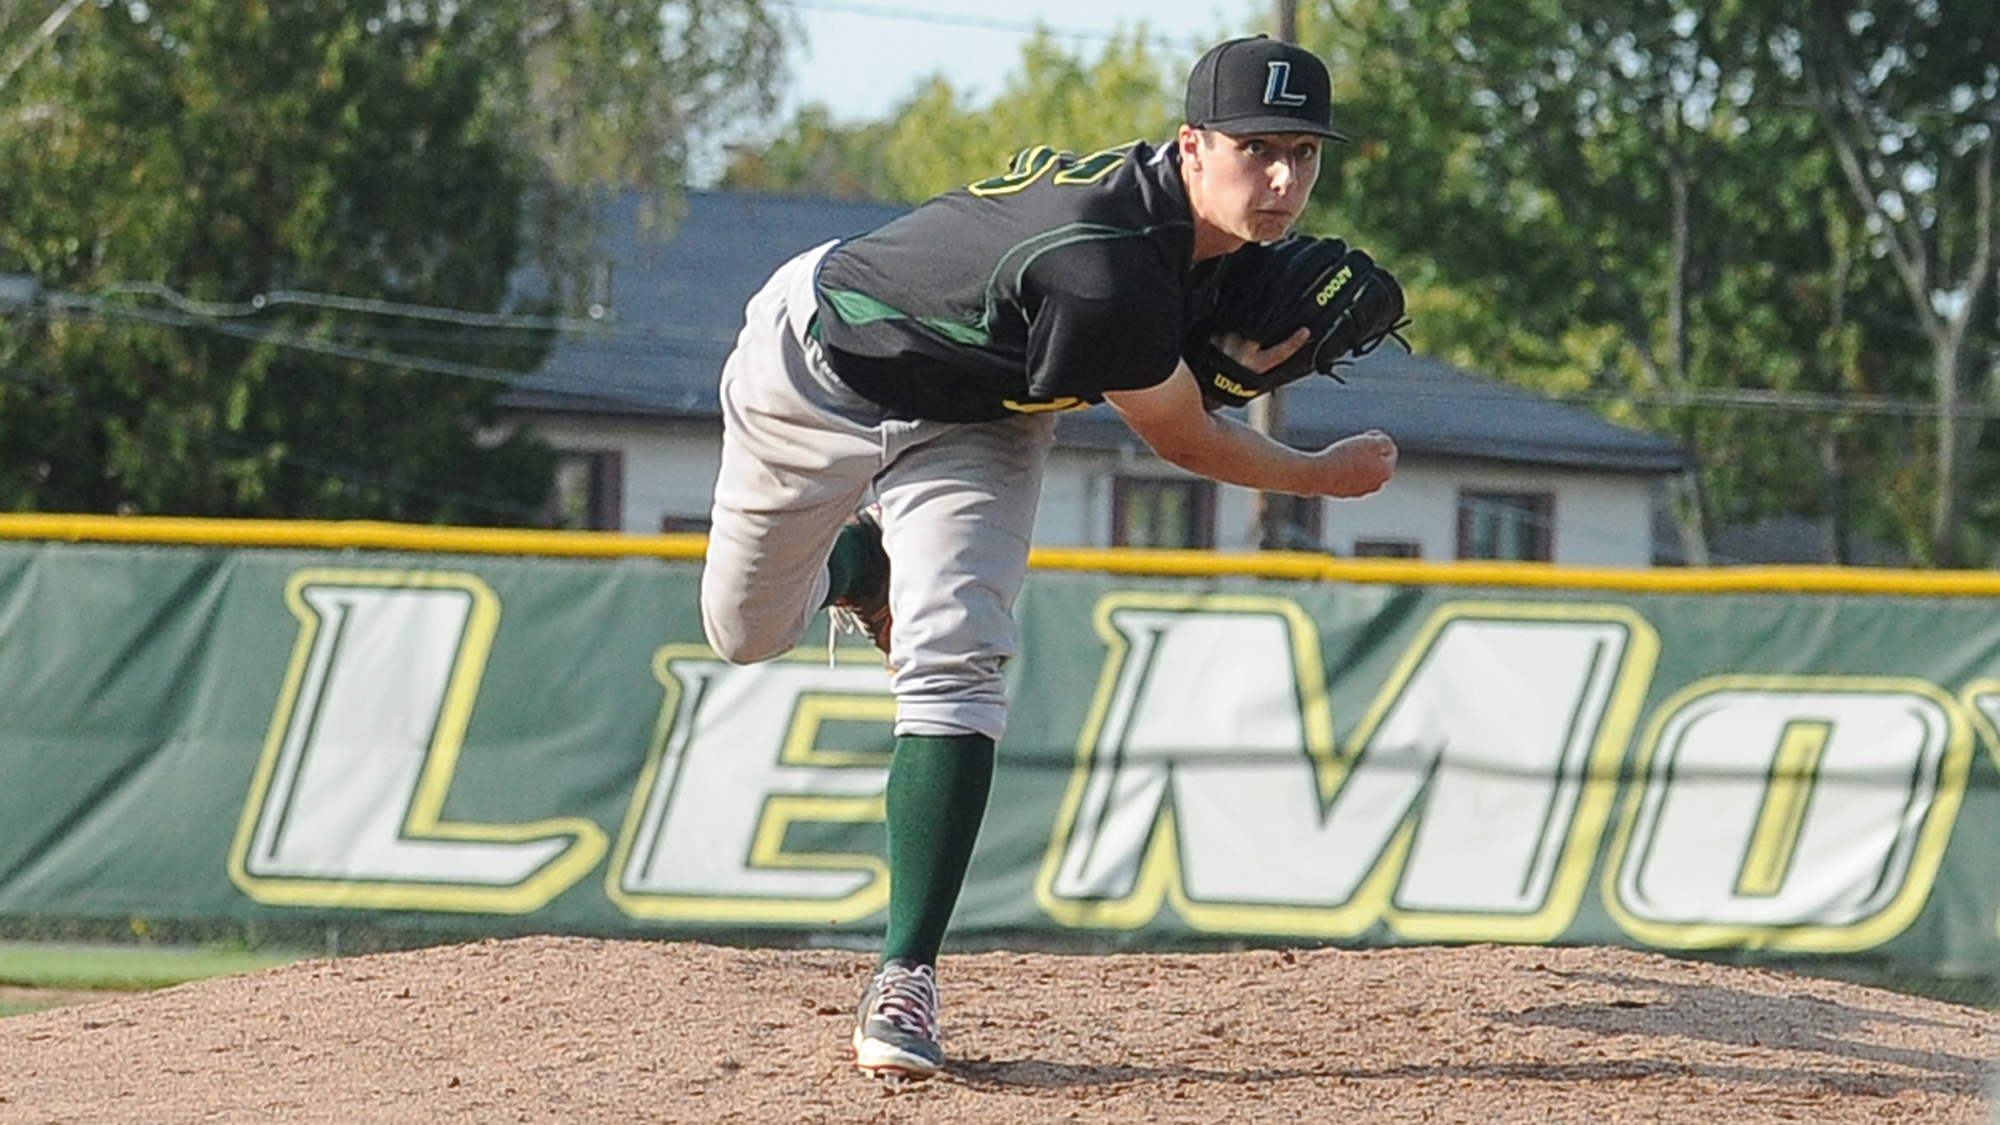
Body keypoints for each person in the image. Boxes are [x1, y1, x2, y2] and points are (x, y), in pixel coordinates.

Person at [699, 35, 1398, 1080]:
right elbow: (1182, 439)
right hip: (816, 376)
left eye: (1303, 152)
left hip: (977, 419)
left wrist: (1208, 369)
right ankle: (857, 570)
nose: (1284, 178)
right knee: (745, 635)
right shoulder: (1106, 262)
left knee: (958, 658)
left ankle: (904, 977)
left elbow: (1174, 380)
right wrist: (1319, 473)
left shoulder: (1207, 255)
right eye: (1257, 149)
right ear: (1190, 146)